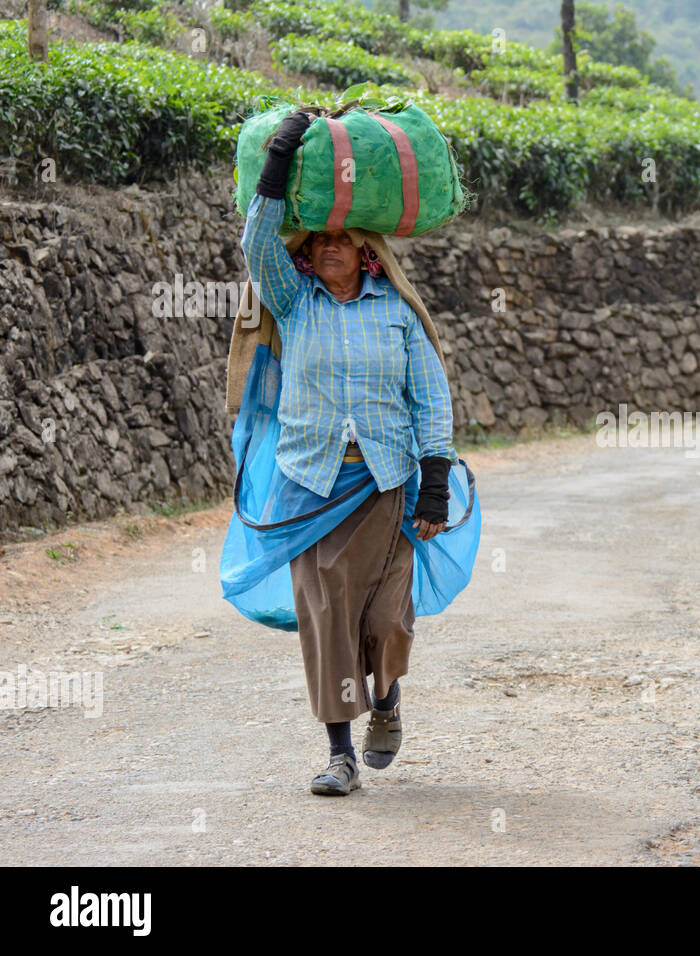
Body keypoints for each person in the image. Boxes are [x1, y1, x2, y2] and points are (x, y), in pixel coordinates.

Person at [237, 111, 456, 796]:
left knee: (387, 617)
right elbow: (256, 245)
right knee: (328, 619)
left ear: (365, 250)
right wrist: (277, 163)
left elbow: (430, 397)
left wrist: (436, 480)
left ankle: (386, 703)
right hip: (312, 484)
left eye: (342, 240)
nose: (329, 247)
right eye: (320, 240)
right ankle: (340, 756)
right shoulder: (296, 301)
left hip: (385, 484)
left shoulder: (395, 312)